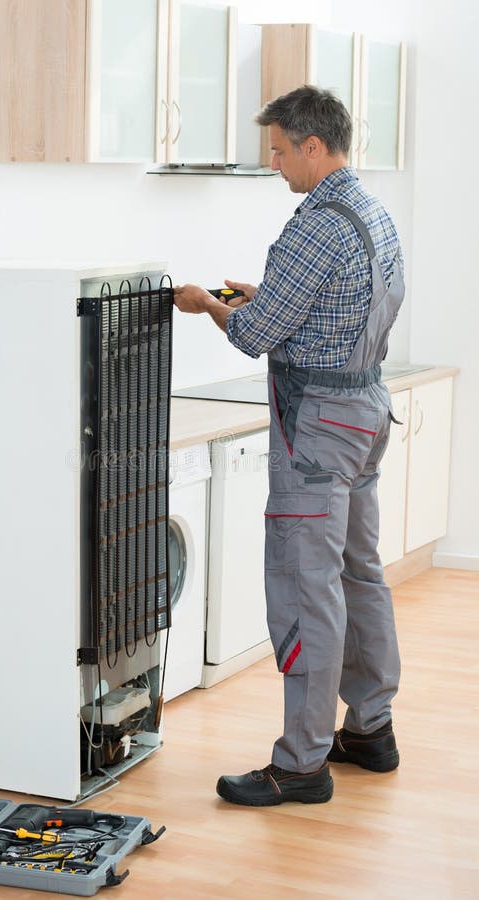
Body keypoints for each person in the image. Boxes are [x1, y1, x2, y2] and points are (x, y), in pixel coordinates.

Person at [173, 85, 403, 807]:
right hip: (364, 412)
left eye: (277, 149)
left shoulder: (313, 225)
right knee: (358, 574)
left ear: (312, 144)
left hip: (317, 430)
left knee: (306, 592)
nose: (273, 164)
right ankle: (369, 727)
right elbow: (331, 309)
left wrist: (211, 305)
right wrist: (262, 295)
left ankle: (300, 763)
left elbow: (252, 335)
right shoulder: (371, 213)